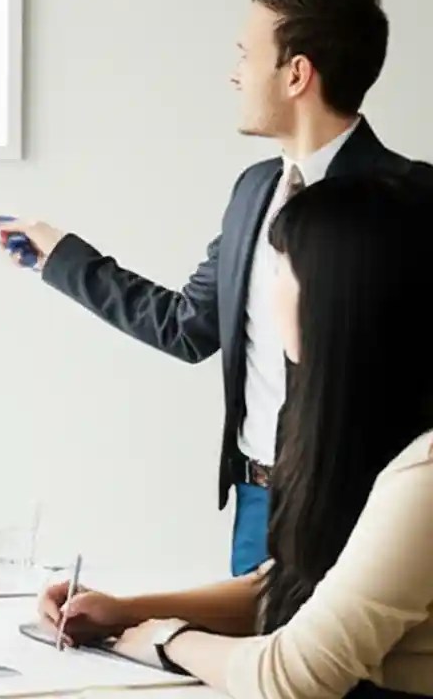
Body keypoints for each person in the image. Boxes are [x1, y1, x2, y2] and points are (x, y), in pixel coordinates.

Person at [0, 0, 432, 576]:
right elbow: (187, 327)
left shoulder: (411, 200)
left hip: (367, 510)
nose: (235, 74)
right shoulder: (253, 192)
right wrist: (59, 257)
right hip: (255, 500)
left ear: (296, 73)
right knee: (238, 664)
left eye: (246, 55)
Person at [36, 174, 433, 698]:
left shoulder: (423, 472)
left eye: (280, 270)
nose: (265, 295)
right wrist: (126, 611)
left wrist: (165, 638)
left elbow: (294, 676)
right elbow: (293, 587)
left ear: (335, 296)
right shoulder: (370, 429)